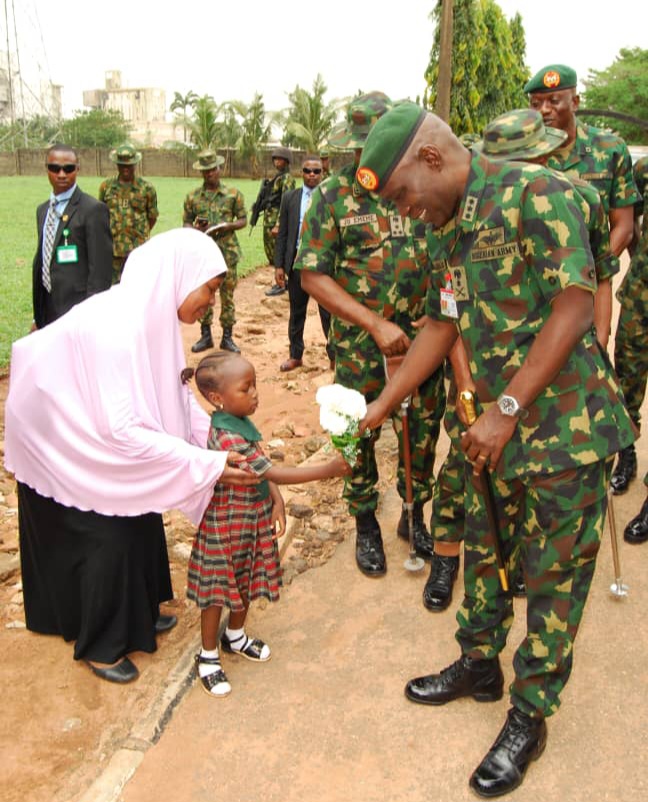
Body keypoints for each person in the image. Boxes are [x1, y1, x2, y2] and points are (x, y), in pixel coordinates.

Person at [356, 102, 635, 797]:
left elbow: (574, 303)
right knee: (484, 556)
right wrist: (380, 408)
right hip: (494, 439)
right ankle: (479, 664)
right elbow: (441, 323)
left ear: (428, 159)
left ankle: (530, 714)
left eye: (400, 197)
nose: (404, 212)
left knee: (553, 579)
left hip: (563, 436)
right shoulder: (448, 227)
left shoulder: (540, 194)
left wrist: (507, 409)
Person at [5, 229, 259, 684]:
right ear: (180, 277)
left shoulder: (153, 321)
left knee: (141, 509)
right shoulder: (118, 326)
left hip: (91, 419)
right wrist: (207, 465)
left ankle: (137, 613)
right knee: (107, 530)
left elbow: (174, 404)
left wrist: (221, 448)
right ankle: (102, 642)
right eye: (210, 288)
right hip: (57, 430)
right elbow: (120, 431)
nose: (211, 303)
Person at [423, 108, 622, 610]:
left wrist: (596, 340)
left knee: (552, 564)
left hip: (557, 407)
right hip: (491, 393)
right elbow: (452, 310)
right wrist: (465, 381)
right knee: (483, 519)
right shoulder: (465, 216)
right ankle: (475, 644)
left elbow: (592, 283)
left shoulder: (575, 199)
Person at [296, 92, 445, 577]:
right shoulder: (332, 196)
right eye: (360, 146)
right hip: (361, 346)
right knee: (357, 428)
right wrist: (374, 323)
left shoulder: (422, 187)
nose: (367, 156)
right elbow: (312, 276)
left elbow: (447, 253)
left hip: (424, 340)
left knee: (421, 428)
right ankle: (365, 522)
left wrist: (438, 309)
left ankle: (414, 514)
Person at [183, 352, 350, 697]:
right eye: (247, 388)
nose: (256, 393)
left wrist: (274, 500)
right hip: (227, 524)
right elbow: (271, 470)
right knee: (217, 591)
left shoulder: (239, 423)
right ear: (218, 398)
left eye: (255, 385)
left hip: (252, 517)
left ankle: (236, 636)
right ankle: (208, 656)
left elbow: (261, 466)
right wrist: (327, 470)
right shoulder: (227, 436)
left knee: (246, 577)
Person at [525, 63, 641, 492]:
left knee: (598, 362)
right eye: (537, 103)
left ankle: (621, 447)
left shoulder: (609, 149)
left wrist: (587, 274)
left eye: (555, 101)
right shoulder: (529, 151)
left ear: (576, 100)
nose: (546, 110)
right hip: (542, 292)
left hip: (595, 284)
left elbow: (623, 225)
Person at [32, 143, 113, 328]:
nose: (61, 174)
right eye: (55, 168)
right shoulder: (43, 210)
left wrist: (90, 316)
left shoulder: (92, 210)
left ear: (77, 169)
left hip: (78, 310)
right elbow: (44, 260)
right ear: (47, 169)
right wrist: (38, 316)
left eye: (68, 168)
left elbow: (100, 273)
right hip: (49, 307)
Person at [183, 149, 247, 353]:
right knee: (203, 294)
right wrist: (196, 230)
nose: (209, 174)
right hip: (203, 255)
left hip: (227, 252)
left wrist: (228, 226)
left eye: (212, 169)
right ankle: (205, 335)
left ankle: (227, 337)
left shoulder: (233, 194)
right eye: (205, 171)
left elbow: (243, 220)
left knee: (228, 295)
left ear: (219, 169)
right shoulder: (193, 197)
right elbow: (185, 222)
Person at [274, 155, 334, 372]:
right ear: (302, 172)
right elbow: (283, 234)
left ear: (322, 173)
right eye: (308, 171)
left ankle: (334, 356)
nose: (312, 175)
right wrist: (279, 265)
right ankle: (295, 355)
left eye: (316, 171)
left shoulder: (330, 197)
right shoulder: (290, 198)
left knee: (328, 312)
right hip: (297, 263)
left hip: (323, 265)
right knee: (296, 311)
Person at [616, 154, 648, 543]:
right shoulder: (644, 171)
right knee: (625, 373)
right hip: (641, 296)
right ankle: (626, 452)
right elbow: (630, 220)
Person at [98, 142, 159, 283]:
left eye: (129, 165)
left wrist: (138, 234)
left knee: (139, 287)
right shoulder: (106, 187)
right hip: (114, 251)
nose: (126, 168)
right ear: (116, 165)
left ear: (135, 164)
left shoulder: (146, 188)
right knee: (114, 291)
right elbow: (101, 215)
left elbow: (152, 217)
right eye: (122, 165)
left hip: (138, 250)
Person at [259, 147, 296, 296]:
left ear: (287, 161)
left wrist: (280, 223)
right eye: (275, 159)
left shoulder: (287, 178)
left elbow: (286, 201)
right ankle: (279, 281)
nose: (276, 162)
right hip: (269, 219)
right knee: (270, 252)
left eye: (279, 159)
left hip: (276, 220)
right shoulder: (277, 178)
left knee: (278, 252)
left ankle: (282, 282)